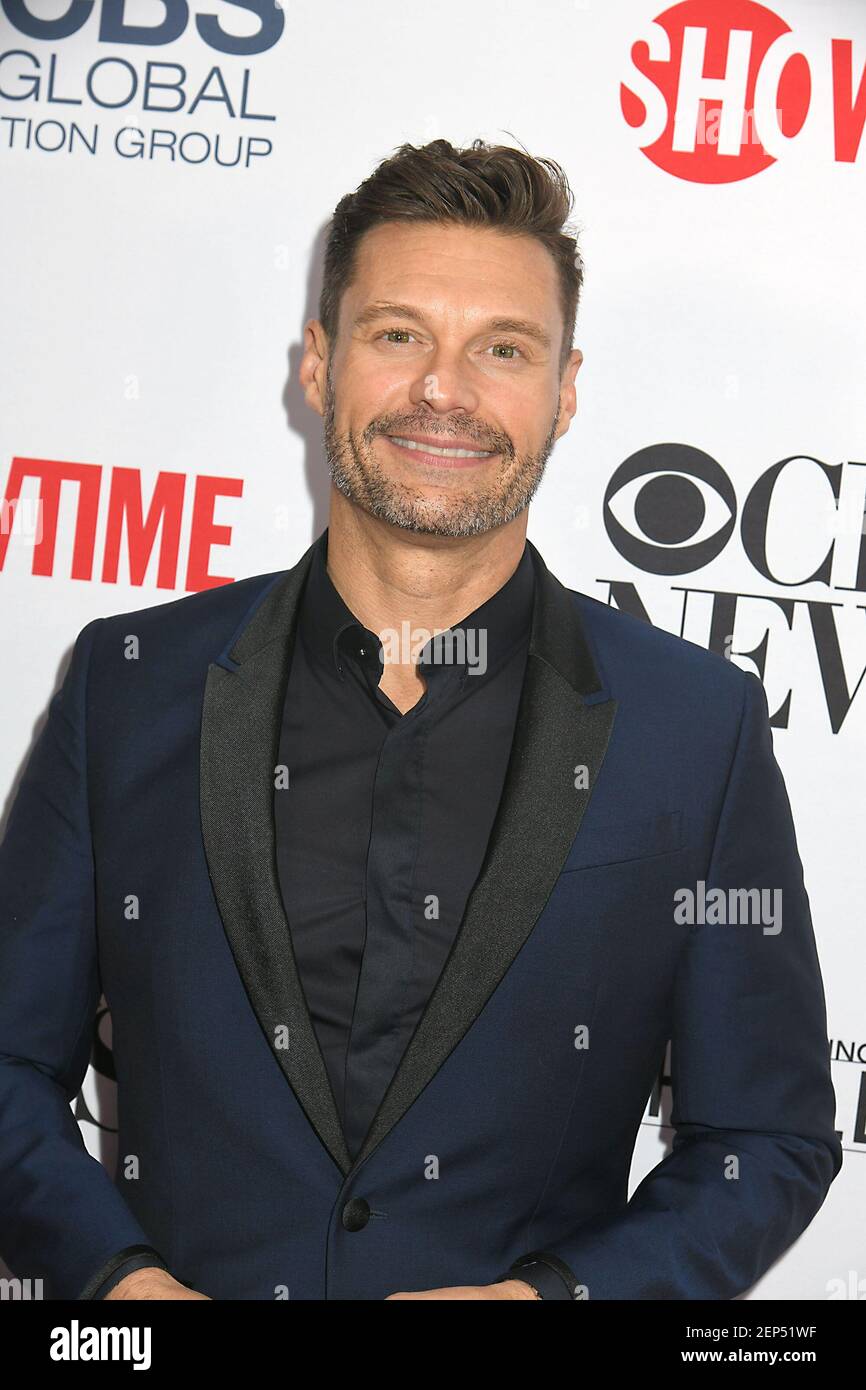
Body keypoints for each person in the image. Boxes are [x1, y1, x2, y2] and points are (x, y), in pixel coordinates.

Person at [0, 139, 841, 1301]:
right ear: (316, 363)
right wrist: (118, 1285)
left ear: (565, 389)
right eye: (398, 334)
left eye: (502, 348)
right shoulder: (130, 681)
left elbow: (766, 1134)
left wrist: (548, 1303)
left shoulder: (694, 729)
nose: (444, 388)